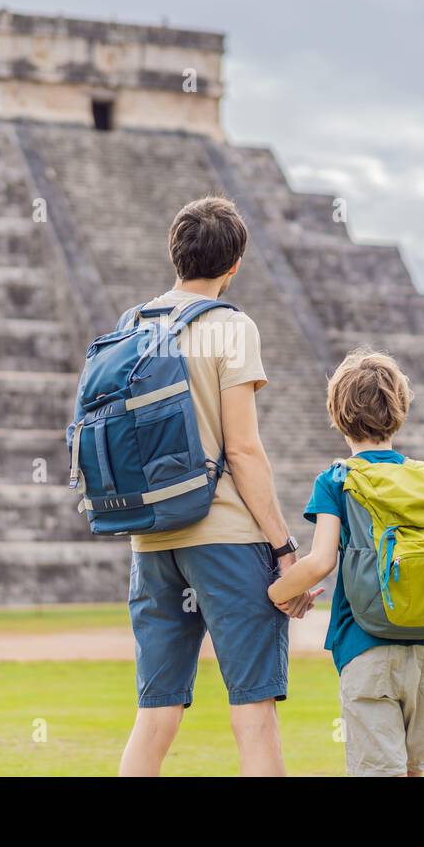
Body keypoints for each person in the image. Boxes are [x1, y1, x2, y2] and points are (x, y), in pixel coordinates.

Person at [118, 196, 312, 777]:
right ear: (235, 266)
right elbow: (243, 450)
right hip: (225, 535)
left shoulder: (132, 325)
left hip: (151, 540)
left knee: (155, 716)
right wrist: (281, 546)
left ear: (174, 254)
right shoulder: (230, 327)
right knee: (252, 714)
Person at [267, 348, 424, 776]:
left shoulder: (338, 479)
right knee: (414, 768)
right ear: (400, 409)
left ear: (338, 415)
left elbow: (321, 560)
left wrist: (275, 592)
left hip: (369, 648)